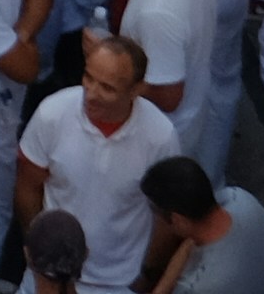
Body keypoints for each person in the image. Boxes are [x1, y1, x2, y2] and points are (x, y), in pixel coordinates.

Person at [12, 36, 177, 294]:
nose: (91, 94)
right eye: (88, 78)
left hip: (118, 283)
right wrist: (41, 253)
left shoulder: (161, 137)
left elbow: (166, 217)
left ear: (136, 90)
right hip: (48, 277)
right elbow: (28, 184)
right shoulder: (52, 113)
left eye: (107, 88)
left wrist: (146, 274)